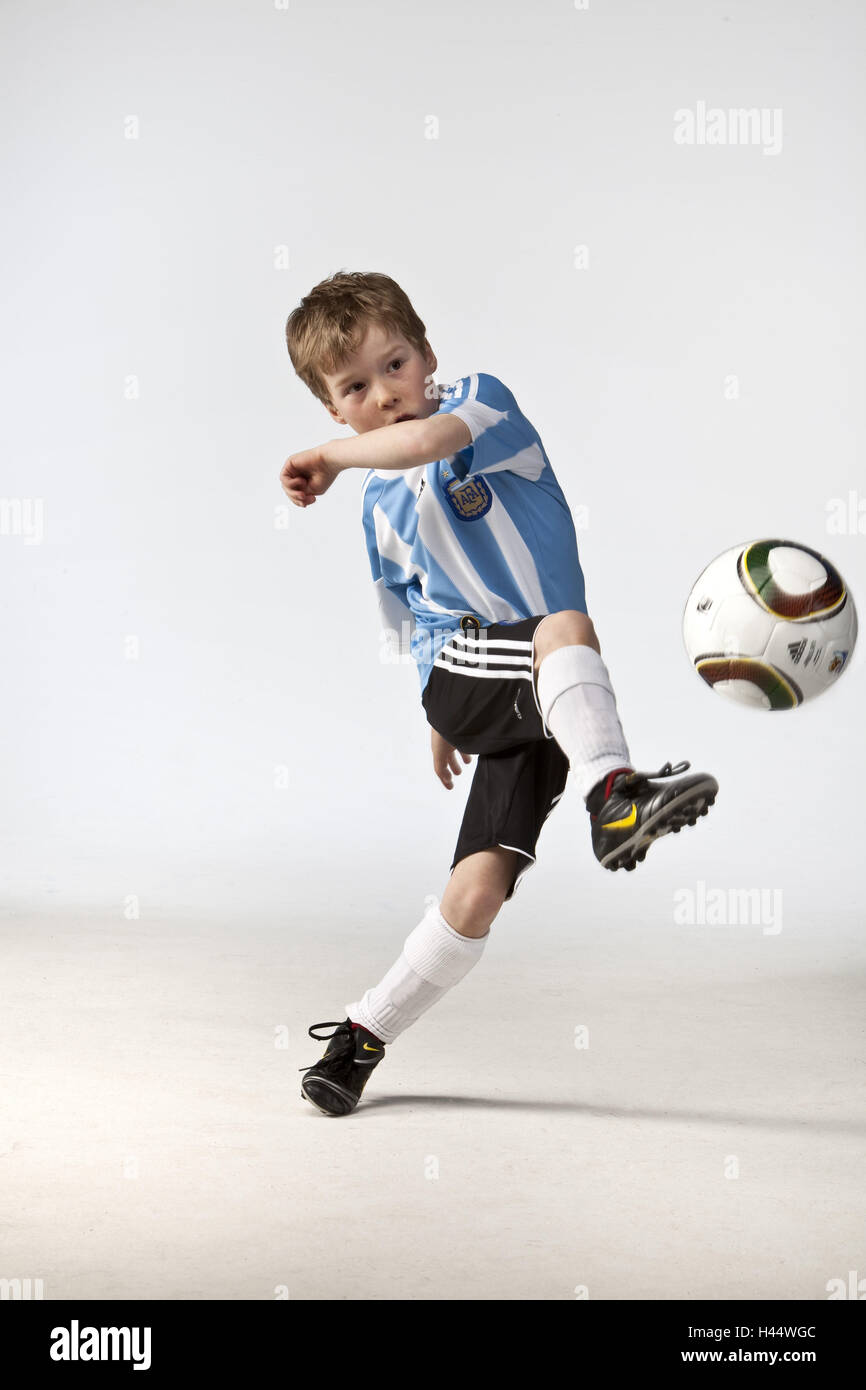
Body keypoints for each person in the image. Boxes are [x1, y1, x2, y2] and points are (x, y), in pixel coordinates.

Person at [281, 270, 718, 1116]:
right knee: (564, 626)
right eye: (357, 389)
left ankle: (359, 1039)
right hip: (482, 674)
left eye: (396, 364)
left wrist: (329, 458)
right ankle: (617, 796)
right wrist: (437, 711)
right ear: (335, 409)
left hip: (548, 702)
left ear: (428, 354)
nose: (387, 395)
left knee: (475, 895)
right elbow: (410, 614)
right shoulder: (377, 505)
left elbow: (422, 444)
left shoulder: (483, 405)